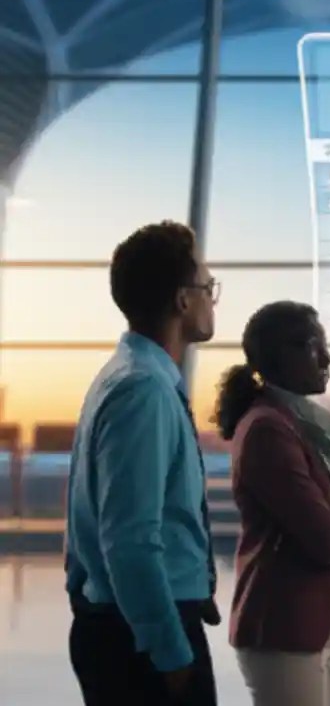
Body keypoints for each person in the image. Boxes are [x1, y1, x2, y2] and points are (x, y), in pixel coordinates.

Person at [64, 221, 220, 705]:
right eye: (208, 288)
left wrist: (83, 593)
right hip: (142, 640)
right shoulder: (143, 390)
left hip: (125, 625)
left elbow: (86, 514)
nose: (213, 299)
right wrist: (169, 651)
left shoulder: (125, 377)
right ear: (182, 300)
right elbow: (129, 538)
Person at [218, 301, 330, 706]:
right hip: (283, 626)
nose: (328, 358)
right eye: (314, 346)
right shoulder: (268, 429)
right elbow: (326, 538)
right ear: (282, 354)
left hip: (316, 618)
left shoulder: (305, 423)